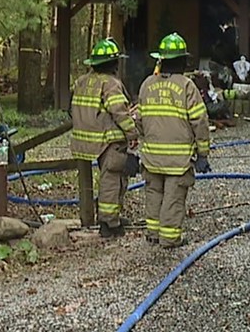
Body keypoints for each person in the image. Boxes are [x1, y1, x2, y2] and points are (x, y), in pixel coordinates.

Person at [136, 33, 211, 248]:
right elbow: (200, 122)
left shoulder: (146, 84)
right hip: (178, 159)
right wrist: (203, 154)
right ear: (182, 61)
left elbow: (139, 121)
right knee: (173, 195)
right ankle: (169, 237)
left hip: (151, 156)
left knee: (153, 192)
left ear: (161, 60)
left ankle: (152, 232)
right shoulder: (187, 86)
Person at [69, 38, 138, 238]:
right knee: (112, 178)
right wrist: (132, 132)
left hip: (83, 140)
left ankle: (101, 215)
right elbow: (119, 112)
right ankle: (109, 224)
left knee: (102, 180)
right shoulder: (110, 84)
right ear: (113, 63)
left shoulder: (82, 81)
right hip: (107, 140)